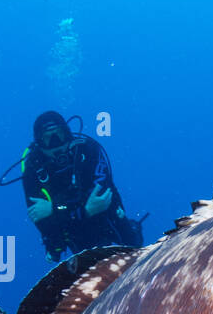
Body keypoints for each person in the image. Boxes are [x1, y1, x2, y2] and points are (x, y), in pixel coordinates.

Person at [21, 111, 143, 261]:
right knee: (88, 265)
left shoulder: (89, 150)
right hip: (73, 231)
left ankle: (133, 228)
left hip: (107, 218)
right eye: (47, 138)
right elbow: (41, 219)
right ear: (39, 144)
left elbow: (102, 198)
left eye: (59, 134)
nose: (55, 143)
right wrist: (83, 211)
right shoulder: (32, 170)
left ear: (68, 134)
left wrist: (54, 209)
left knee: (134, 248)